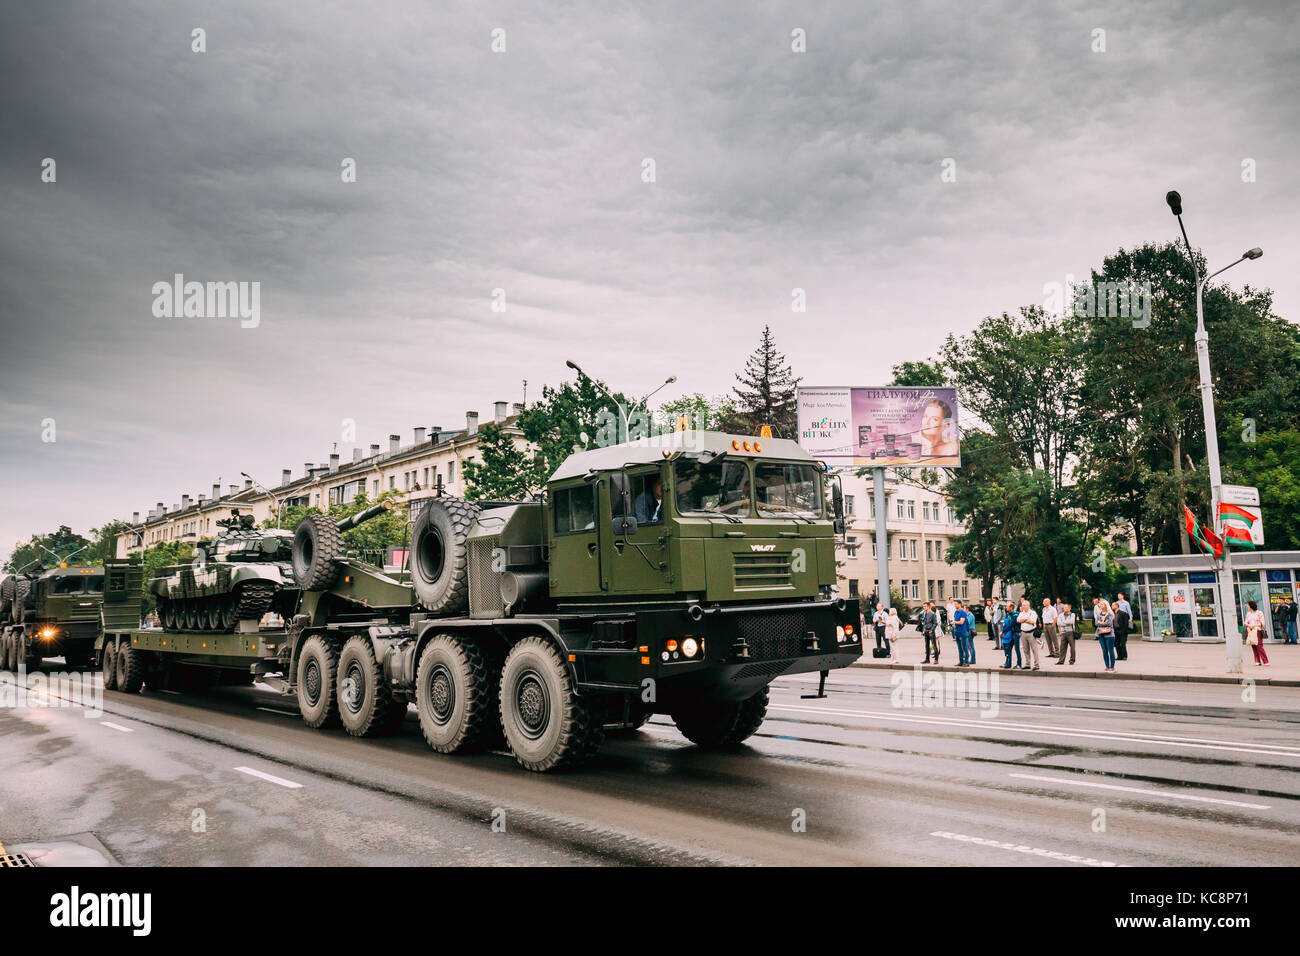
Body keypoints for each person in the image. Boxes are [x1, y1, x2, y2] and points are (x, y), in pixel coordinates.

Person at [1244, 600, 1270, 666]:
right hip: (1250, 630)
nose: (1247, 606)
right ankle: (1257, 661)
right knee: (1253, 645)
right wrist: (1249, 626)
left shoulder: (1259, 613)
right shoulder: (1248, 613)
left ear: (1251, 606)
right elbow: (1246, 622)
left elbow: (1262, 623)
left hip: (1257, 630)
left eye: (1247, 605)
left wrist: (1255, 625)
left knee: (1259, 646)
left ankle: (1265, 661)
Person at [1017, 598, 1040, 670]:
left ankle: (1036, 665)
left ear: (1028, 605)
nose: (1023, 606)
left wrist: (1023, 620)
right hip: (1023, 632)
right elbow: (1018, 620)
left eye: (1025, 605)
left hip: (1031, 633)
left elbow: (1032, 622)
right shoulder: (1021, 613)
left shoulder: (1032, 613)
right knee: (1025, 649)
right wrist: (1026, 619)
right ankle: (1027, 664)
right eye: (1022, 605)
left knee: (1034, 649)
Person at [1095, 599, 1116, 672]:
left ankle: (1112, 667)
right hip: (1101, 634)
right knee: (1104, 650)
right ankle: (1107, 666)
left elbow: (1109, 623)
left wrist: (1101, 623)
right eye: (1100, 604)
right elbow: (1096, 623)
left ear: (1106, 605)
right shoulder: (1098, 614)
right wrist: (1103, 622)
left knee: (1110, 650)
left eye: (1102, 604)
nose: (1100, 605)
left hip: (1109, 635)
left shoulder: (1109, 614)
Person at [952, 600, 975, 666]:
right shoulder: (956, 612)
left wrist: (954, 622)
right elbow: (954, 619)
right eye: (954, 604)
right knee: (959, 648)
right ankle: (961, 661)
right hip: (957, 632)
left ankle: (966, 662)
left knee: (964, 648)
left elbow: (961, 622)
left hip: (963, 632)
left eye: (956, 604)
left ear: (959, 604)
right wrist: (954, 623)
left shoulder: (963, 612)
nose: (955, 605)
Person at [1000, 601, 1021, 668]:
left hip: (1016, 633)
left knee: (1017, 649)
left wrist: (1003, 632)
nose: (1006, 607)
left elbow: (1011, 625)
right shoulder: (1008, 614)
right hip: (1010, 633)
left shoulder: (1015, 615)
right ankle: (1008, 663)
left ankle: (1019, 664)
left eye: (1007, 606)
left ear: (1011, 607)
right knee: (1008, 649)